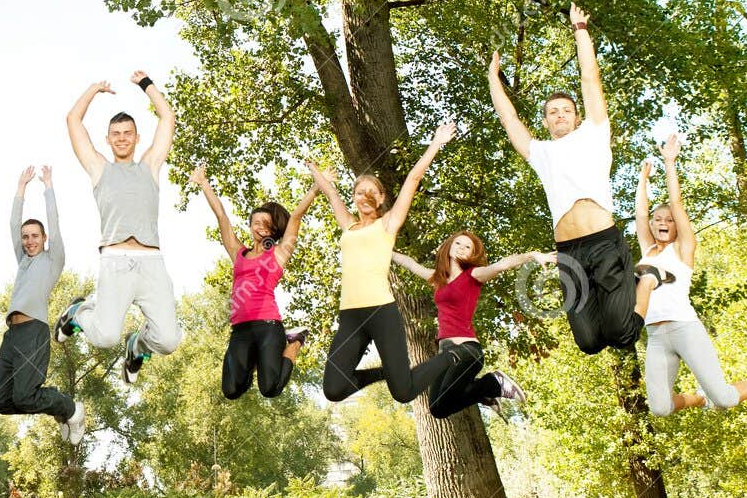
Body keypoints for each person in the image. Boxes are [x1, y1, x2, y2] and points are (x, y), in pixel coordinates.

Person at [488, 3, 667, 355]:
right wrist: (494, 78)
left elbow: (590, 77)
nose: (559, 115)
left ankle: (645, 280)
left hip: (603, 243)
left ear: (577, 115)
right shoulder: (540, 153)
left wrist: (580, 29)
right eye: (552, 112)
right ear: (545, 121)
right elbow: (509, 119)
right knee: (588, 343)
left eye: (565, 110)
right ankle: (626, 288)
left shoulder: (594, 133)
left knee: (621, 332)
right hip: (568, 253)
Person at [635, 133, 747, 415]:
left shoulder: (682, 250)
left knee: (726, 398)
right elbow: (641, 214)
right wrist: (643, 179)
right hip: (655, 334)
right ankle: (702, 399)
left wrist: (669, 163)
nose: (663, 222)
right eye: (658, 220)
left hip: (684, 327)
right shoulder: (647, 250)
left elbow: (676, 204)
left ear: (677, 226)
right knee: (660, 408)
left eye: (669, 220)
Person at [309, 125, 457, 405]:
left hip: (381, 313)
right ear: (354, 197)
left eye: (370, 192)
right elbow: (330, 193)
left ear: (380, 198)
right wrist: (314, 169)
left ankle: (451, 356)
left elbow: (413, 179)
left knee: (403, 393)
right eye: (358, 192)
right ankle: (381, 374)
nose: (363, 197)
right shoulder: (348, 225)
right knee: (333, 389)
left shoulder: (387, 224)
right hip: (350, 317)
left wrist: (436, 143)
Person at [56, 71, 182, 384]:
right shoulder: (99, 168)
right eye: (116, 133)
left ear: (137, 138)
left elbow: (167, 117)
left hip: (152, 263)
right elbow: (73, 120)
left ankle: (138, 346)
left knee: (168, 340)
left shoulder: (150, 166)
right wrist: (93, 89)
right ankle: (76, 315)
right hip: (115, 262)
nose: (122, 137)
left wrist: (146, 85)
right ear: (108, 139)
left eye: (128, 132)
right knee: (104, 337)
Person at [188, 164, 315, 400]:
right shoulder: (238, 252)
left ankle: (295, 341)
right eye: (256, 222)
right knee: (231, 390)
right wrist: (204, 184)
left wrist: (317, 187)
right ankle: (255, 358)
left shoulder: (278, 254)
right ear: (250, 225)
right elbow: (222, 217)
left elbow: (296, 217)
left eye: (265, 224)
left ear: (273, 229)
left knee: (270, 388)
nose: (260, 227)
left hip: (268, 326)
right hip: (240, 330)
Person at [390, 236, 550, 416]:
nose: (461, 248)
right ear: (449, 247)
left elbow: (501, 265)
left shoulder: (473, 275)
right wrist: (380, 251)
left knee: (441, 396)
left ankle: (493, 383)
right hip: (446, 352)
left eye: (467, 247)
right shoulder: (437, 278)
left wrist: (533, 255)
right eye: (457, 243)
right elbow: (409, 263)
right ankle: (481, 393)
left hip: (466, 350)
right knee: (437, 409)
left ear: (471, 254)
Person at [0, 166, 85, 444]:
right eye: (26, 236)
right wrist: (20, 187)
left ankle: (71, 409)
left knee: (24, 396)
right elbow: (12, 224)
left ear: (44, 239)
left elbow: (54, 223)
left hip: (33, 331)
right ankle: (57, 407)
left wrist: (48, 187)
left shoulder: (52, 259)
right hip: (12, 335)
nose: (30, 241)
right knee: (0, 401)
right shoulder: (23, 260)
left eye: (35, 236)